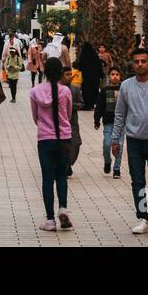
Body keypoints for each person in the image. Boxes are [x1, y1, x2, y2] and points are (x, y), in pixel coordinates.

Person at [111, 47, 148, 234]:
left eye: (143, 61)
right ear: (132, 64)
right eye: (136, 61)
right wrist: (115, 139)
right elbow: (120, 114)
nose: (140, 64)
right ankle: (143, 218)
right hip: (134, 141)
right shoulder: (126, 86)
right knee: (138, 181)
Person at [29, 55, 74, 231]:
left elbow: (35, 117)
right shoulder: (66, 91)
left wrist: (44, 125)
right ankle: (63, 208)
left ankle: (49, 220)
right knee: (62, 176)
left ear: (45, 71)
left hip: (45, 139)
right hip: (64, 138)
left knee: (47, 178)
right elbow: (69, 114)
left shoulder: (35, 92)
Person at [94, 68, 123, 178]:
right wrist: (97, 120)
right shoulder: (105, 90)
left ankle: (117, 169)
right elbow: (100, 106)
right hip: (108, 122)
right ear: (109, 76)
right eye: (112, 74)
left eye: (117, 74)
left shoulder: (123, 89)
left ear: (120, 76)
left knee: (119, 146)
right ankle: (107, 161)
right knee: (107, 144)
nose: (115, 76)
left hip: (121, 124)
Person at [77, 37, 103, 110]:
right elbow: (99, 66)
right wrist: (101, 75)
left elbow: (80, 66)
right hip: (95, 78)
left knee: (86, 90)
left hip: (86, 78)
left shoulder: (83, 56)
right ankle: (92, 103)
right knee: (94, 89)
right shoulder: (95, 56)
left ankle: (87, 104)